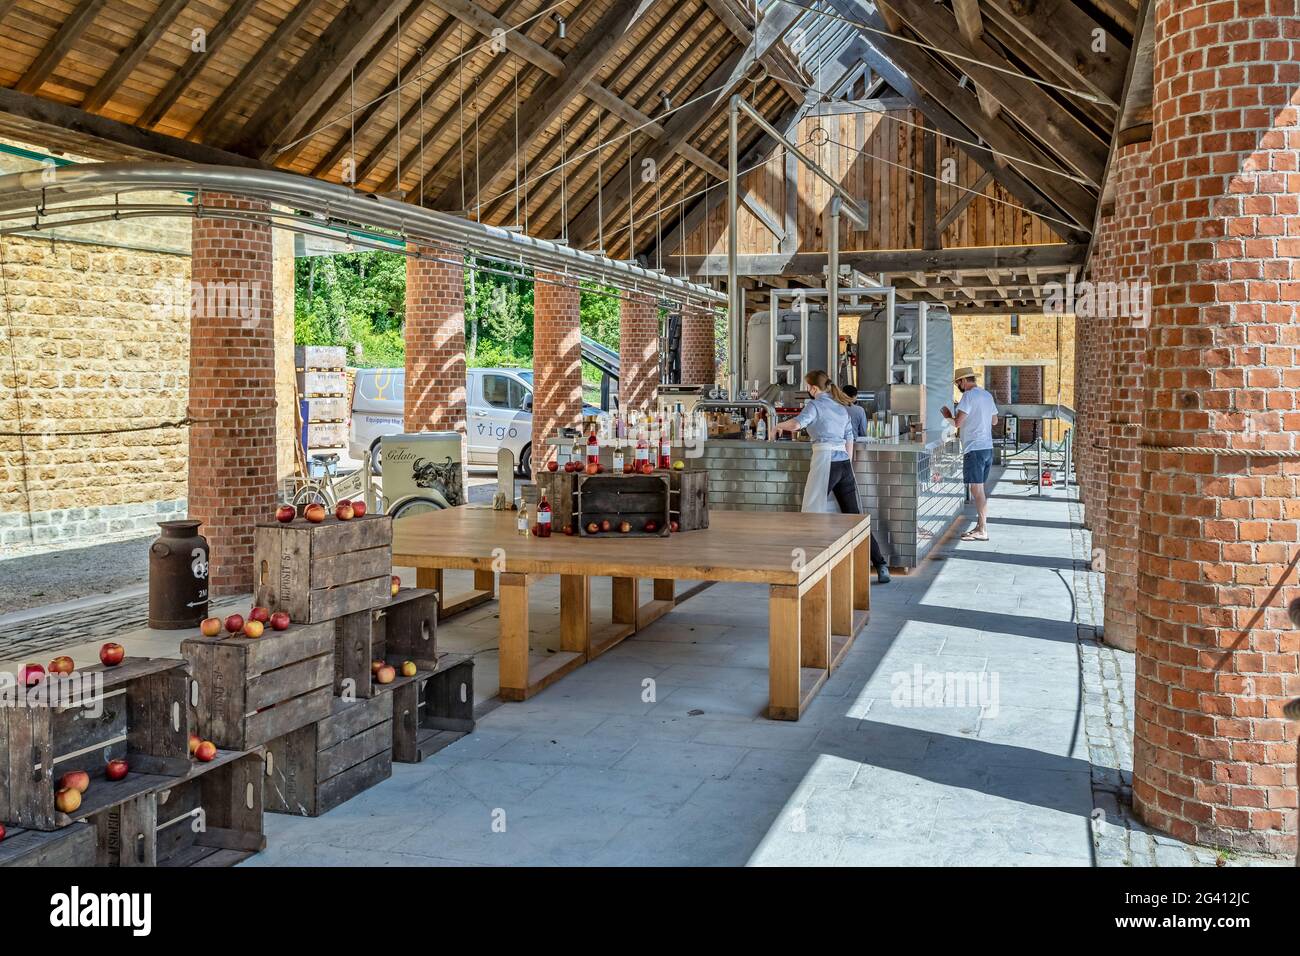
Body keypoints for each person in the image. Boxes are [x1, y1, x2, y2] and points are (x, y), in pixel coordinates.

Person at [775, 370, 890, 583]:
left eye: (807, 387)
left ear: (812, 388)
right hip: (844, 464)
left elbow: (797, 424)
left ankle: (804, 565)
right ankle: (880, 564)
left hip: (825, 460)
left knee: (811, 512)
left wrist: (778, 425)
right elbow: (849, 440)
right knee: (855, 517)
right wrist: (848, 467)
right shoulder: (841, 407)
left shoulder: (815, 405)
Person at [941, 366, 999, 542]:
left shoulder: (968, 396)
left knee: (977, 491)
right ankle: (980, 526)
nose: (957, 386)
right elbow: (995, 421)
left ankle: (982, 530)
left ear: (964, 381)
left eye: (958, 382)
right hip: (987, 448)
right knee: (979, 490)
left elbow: (957, 423)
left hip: (974, 449)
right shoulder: (987, 395)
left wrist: (947, 415)